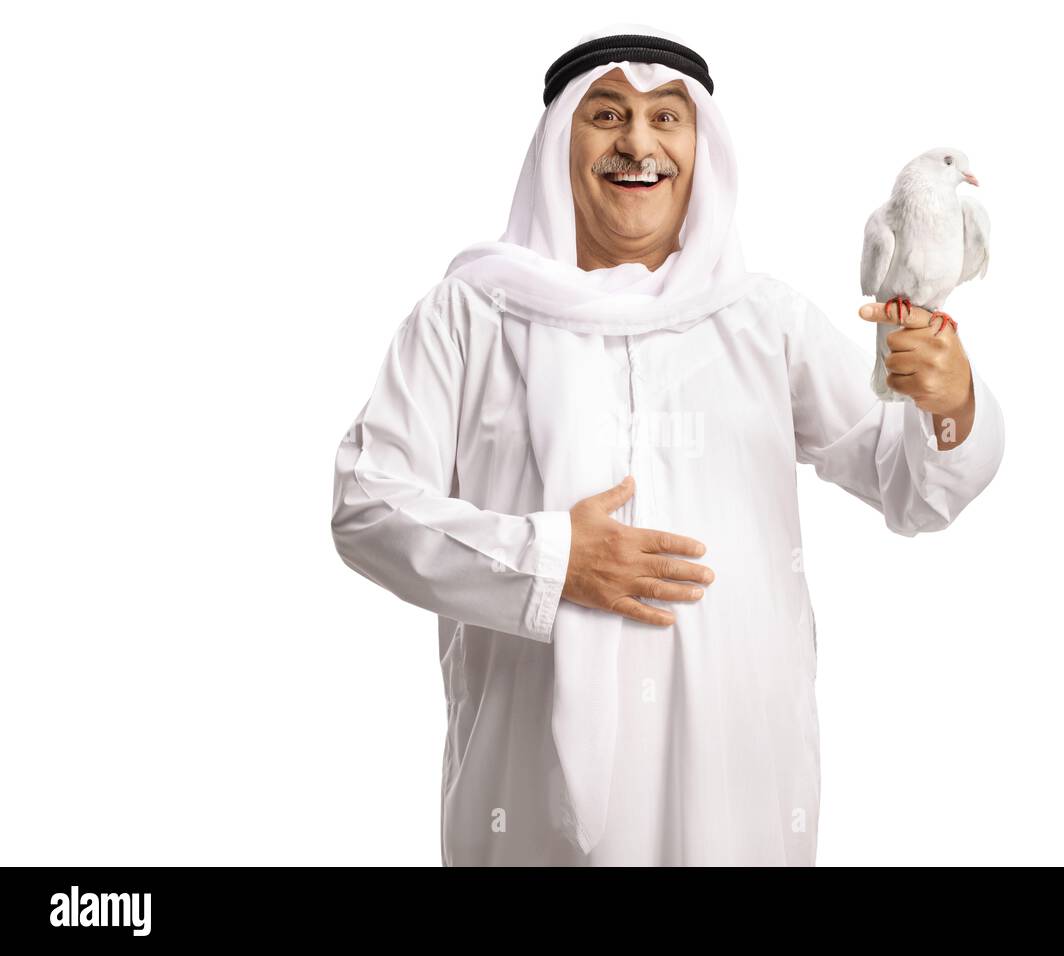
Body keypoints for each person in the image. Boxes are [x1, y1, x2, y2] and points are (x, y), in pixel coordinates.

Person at [330, 23, 1006, 866]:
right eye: (607, 115)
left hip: (737, 798)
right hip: (526, 804)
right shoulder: (469, 315)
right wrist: (549, 560)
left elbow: (909, 488)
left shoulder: (761, 319)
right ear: (559, 141)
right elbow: (367, 503)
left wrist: (948, 403)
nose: (638, 144)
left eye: (666, 119)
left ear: (701, 147)